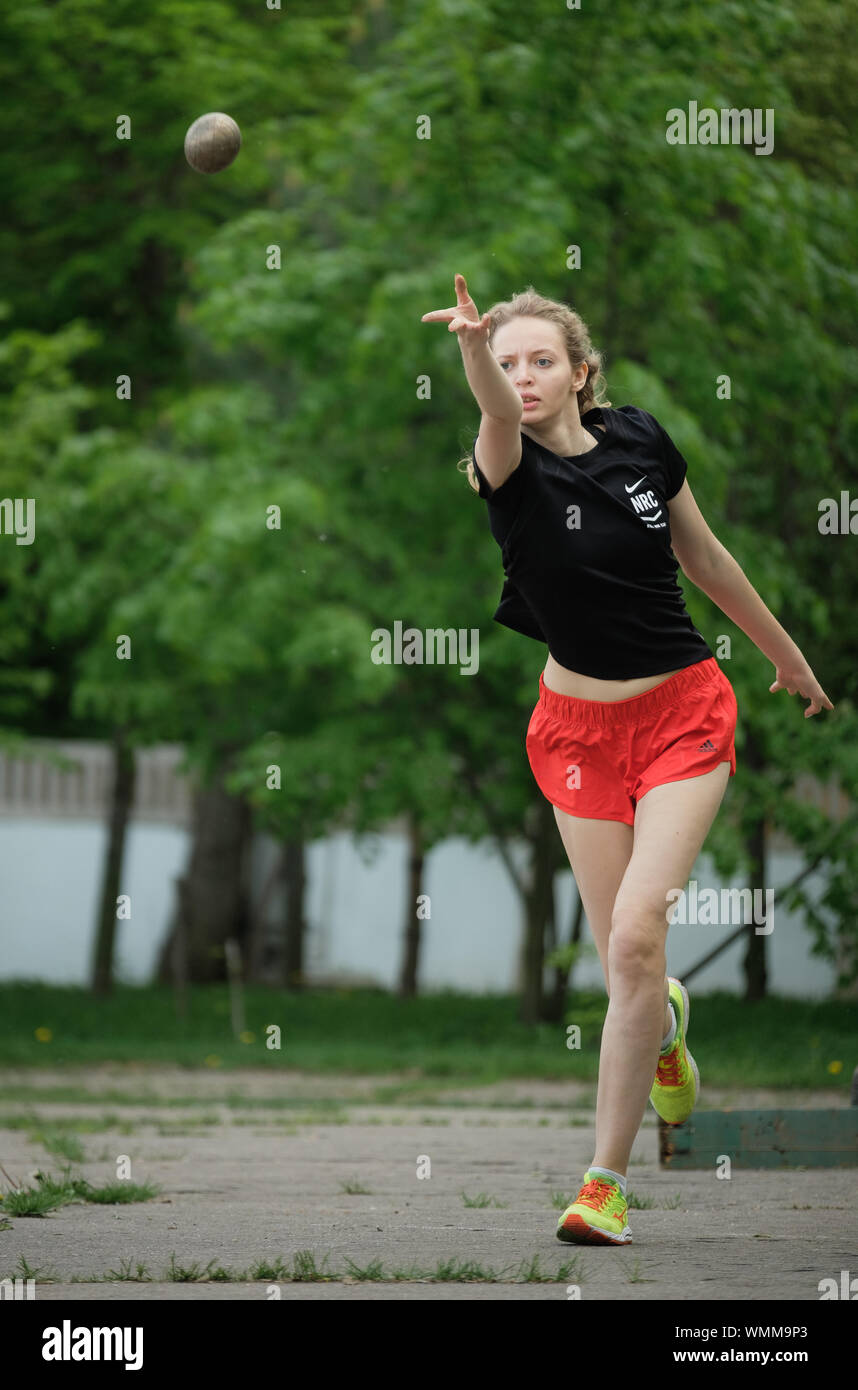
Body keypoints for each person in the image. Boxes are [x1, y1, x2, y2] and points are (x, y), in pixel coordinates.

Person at [422, 273, 834, 1245]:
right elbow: (486, 404)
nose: (520, 376)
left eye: (537, 360)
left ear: (577, 373)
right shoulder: (506, 466)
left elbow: (707, 560)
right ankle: (663, 1033)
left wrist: (787, 660)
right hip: (574, 736)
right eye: (508, 360)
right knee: (627, 967)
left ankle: (602, 1183)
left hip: (682, 710)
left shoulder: (640, 442)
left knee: (637, 932)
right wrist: (472, 348)